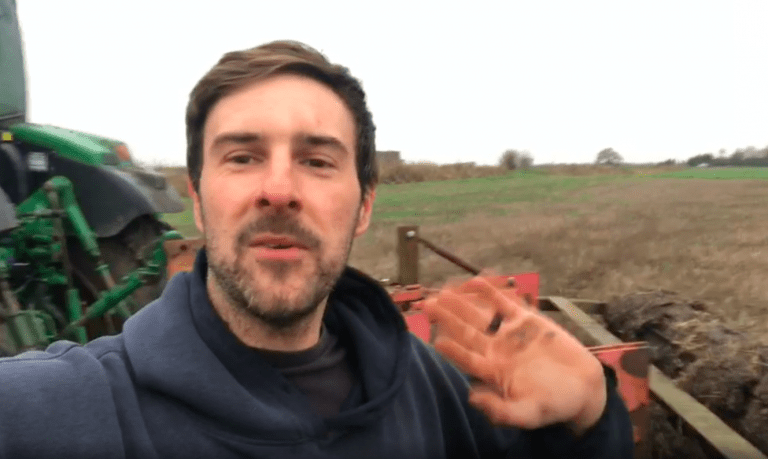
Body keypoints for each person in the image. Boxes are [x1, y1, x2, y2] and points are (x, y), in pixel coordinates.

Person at [0, 40, 633, 458]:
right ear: (197, 199)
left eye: (318, 161)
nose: (278, 190)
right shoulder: (68, 411)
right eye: (243, 157)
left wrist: (590, 415)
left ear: (364, 206)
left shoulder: (437, 394)